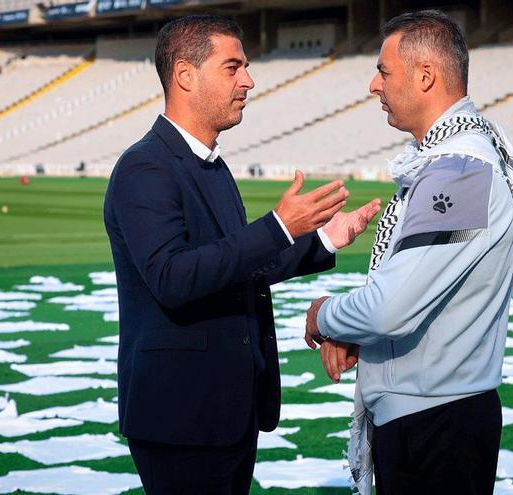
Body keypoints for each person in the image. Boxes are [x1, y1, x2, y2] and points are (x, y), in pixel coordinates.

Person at [103, 15, 380, 494]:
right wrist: (276, 226)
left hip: (229, 412)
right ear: (186, 75)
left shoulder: (211, 165)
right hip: (181, 418)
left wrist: (323, 240)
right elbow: (173, 277)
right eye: (233, 67)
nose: (248, 80)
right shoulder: (144, 168)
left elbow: (239, 265)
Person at [304, 10, 513, 495]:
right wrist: (358, 333)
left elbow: (390, 308)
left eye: (384, 71)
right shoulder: (463, 154)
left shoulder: (460, 169)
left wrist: (325, 316)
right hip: (438, 410)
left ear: (425, 76)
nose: (373, 85)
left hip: (434, 423)